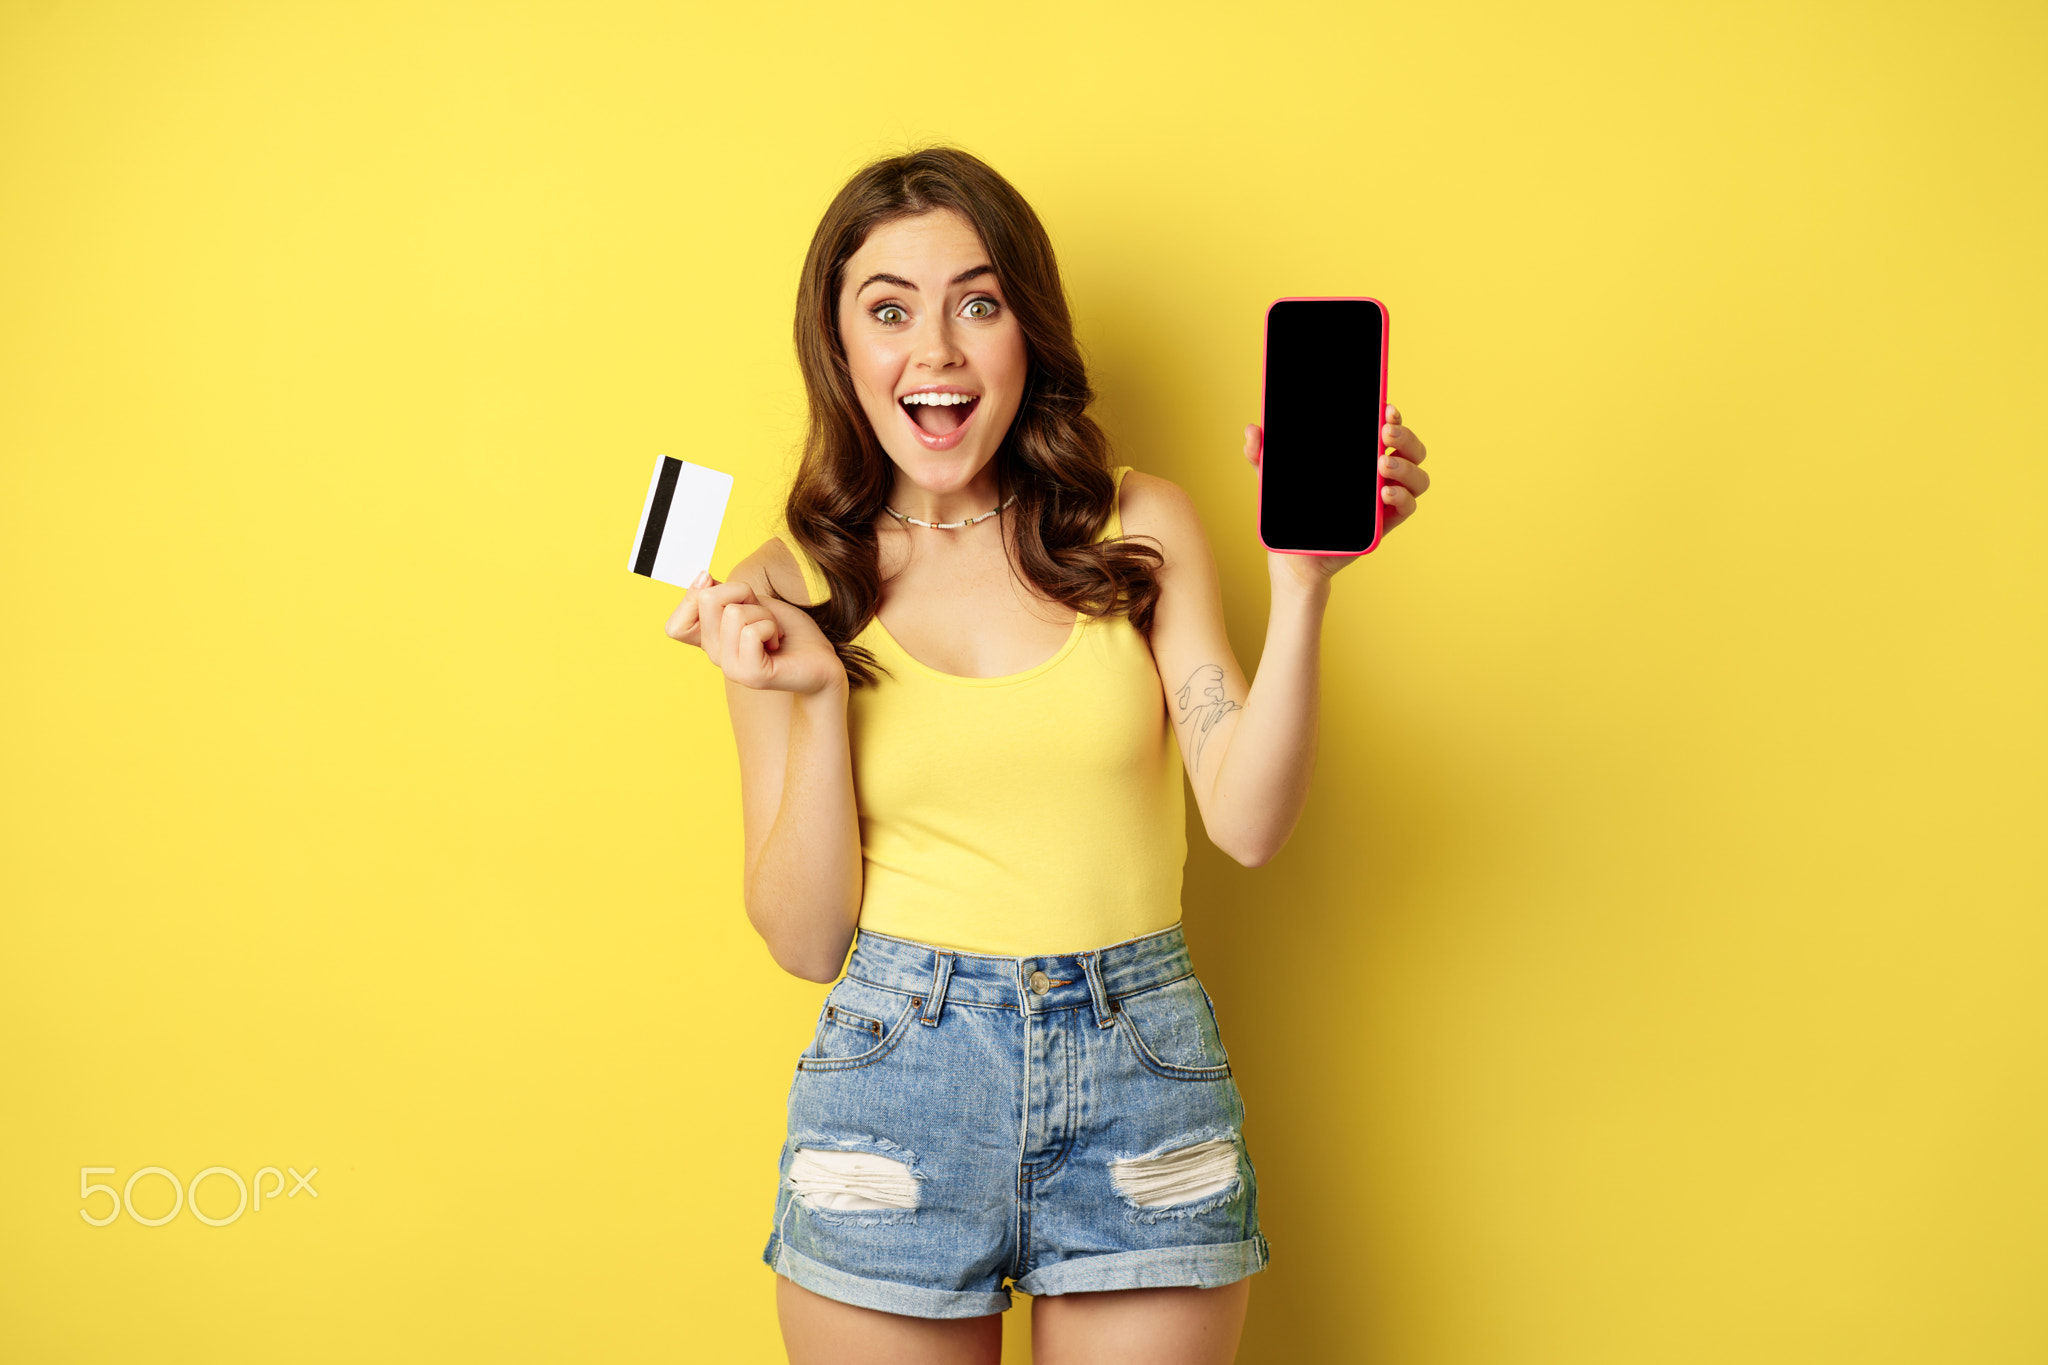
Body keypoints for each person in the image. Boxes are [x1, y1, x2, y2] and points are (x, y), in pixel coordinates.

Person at [665, 147, 1429, 1365]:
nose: (936, 352)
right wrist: (814, 698)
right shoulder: (779, 588)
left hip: (1141, 1077)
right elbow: (805, 944)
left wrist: (1302, 586)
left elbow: (1246, 822)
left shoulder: (1137, 525)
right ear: (838, 346)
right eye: (888, 311)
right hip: (894, 1088)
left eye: (977, 304)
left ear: (1029, 330)